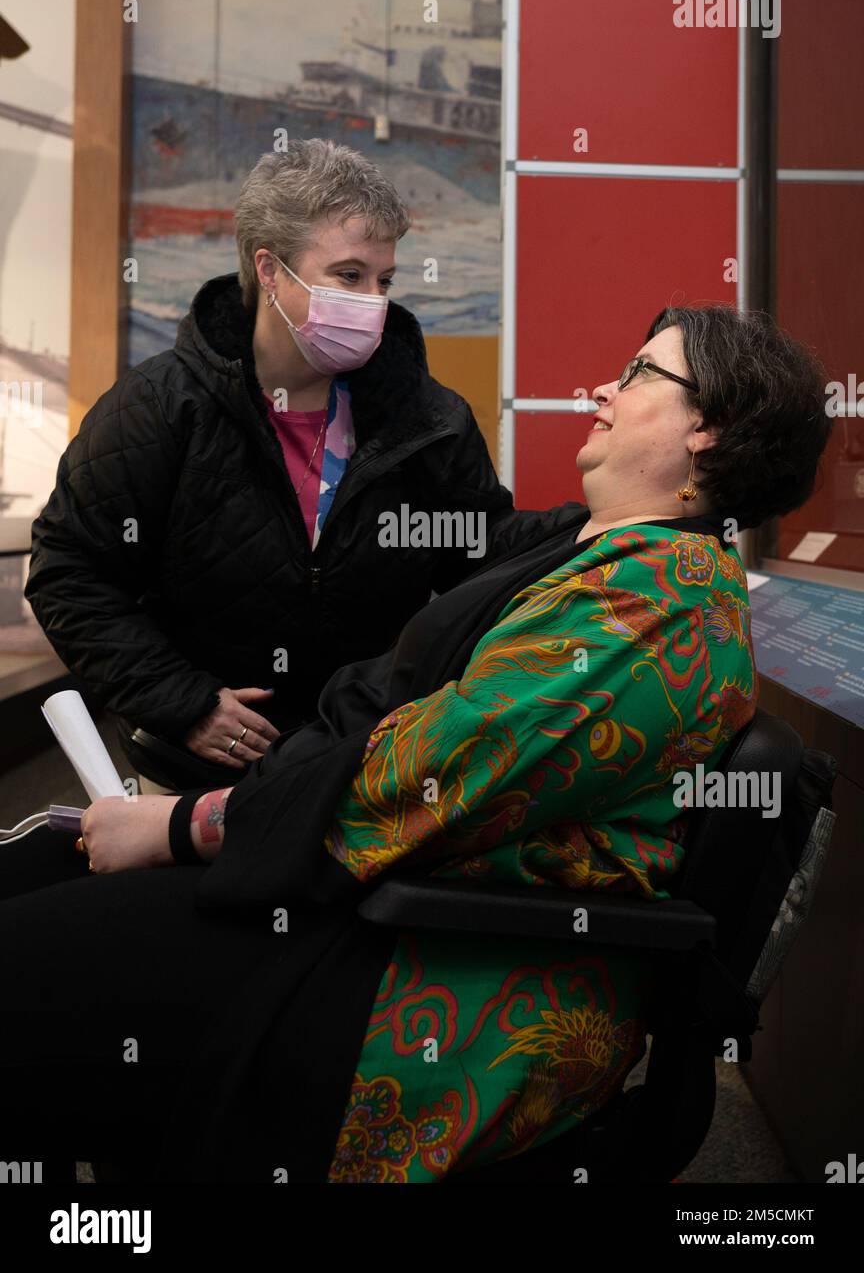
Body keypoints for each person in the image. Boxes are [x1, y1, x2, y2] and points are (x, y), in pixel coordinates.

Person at [0, 304, 831, 1183]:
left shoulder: (656, 600)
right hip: (389, 898)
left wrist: (183, 828)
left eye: (637, 375)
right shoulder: (618, 559)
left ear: (711, 426)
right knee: (33, 887)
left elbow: (425, 779)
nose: (604, 391)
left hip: (437, 971)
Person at [25, 139, 581, 794]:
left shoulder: (428, 420)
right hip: (194, 772)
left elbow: (481, 555)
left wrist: (611, 522)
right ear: (270, 270)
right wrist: (182, 701)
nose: (373, 302)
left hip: (360, 775)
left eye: (384, 280)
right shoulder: (160, 407)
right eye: (349, 276)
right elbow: (70, 574)